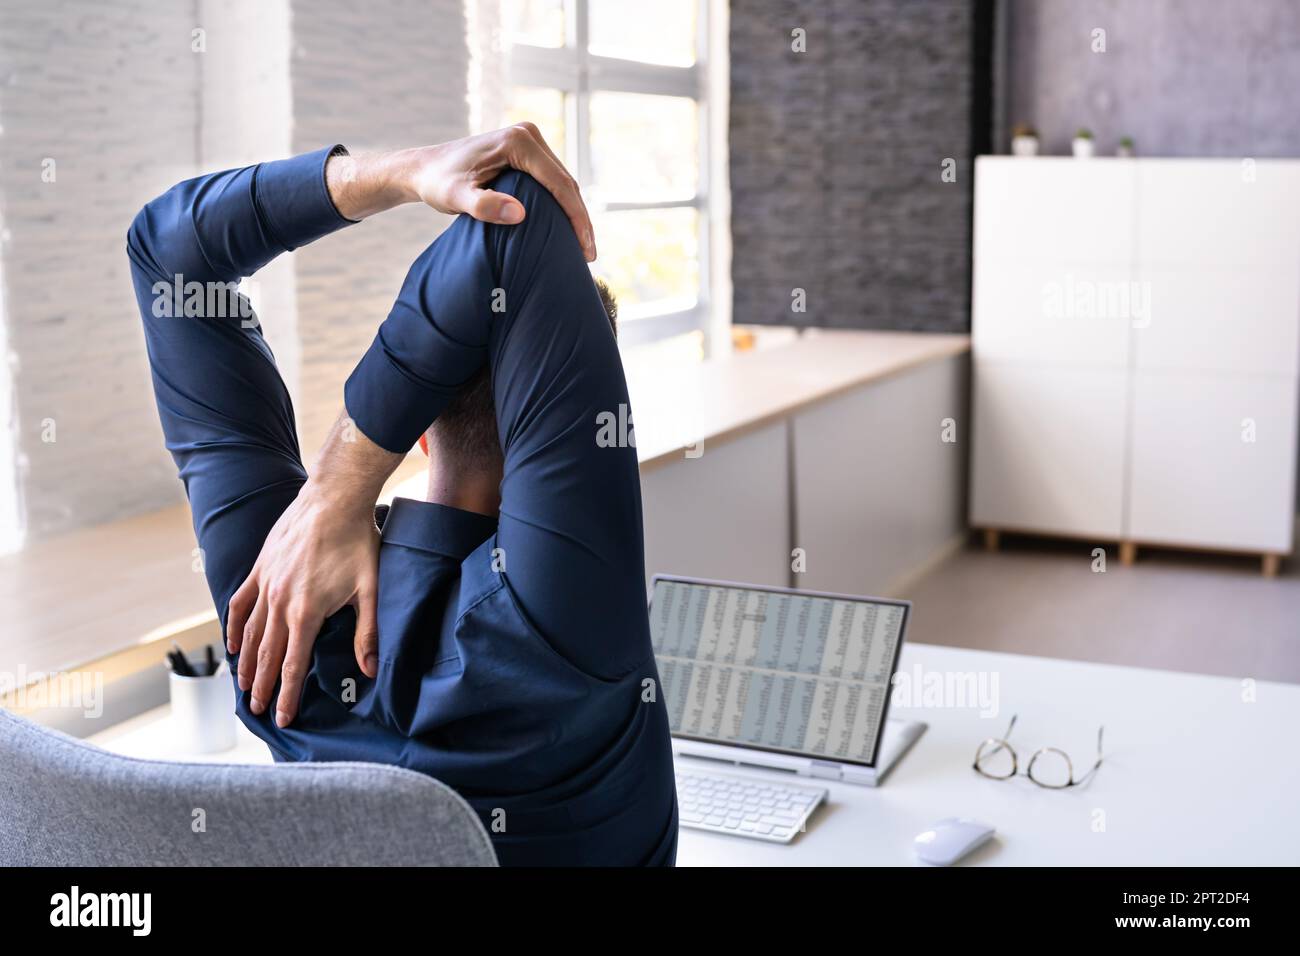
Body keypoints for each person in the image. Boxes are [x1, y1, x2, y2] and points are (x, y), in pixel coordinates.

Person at [126, 126, 678, 866]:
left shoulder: (274, 607)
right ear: (574, 436)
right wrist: (339, 481)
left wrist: (404, 174)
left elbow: (168, 253)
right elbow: (517, 222)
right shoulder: (566, 628)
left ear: (418, 433)